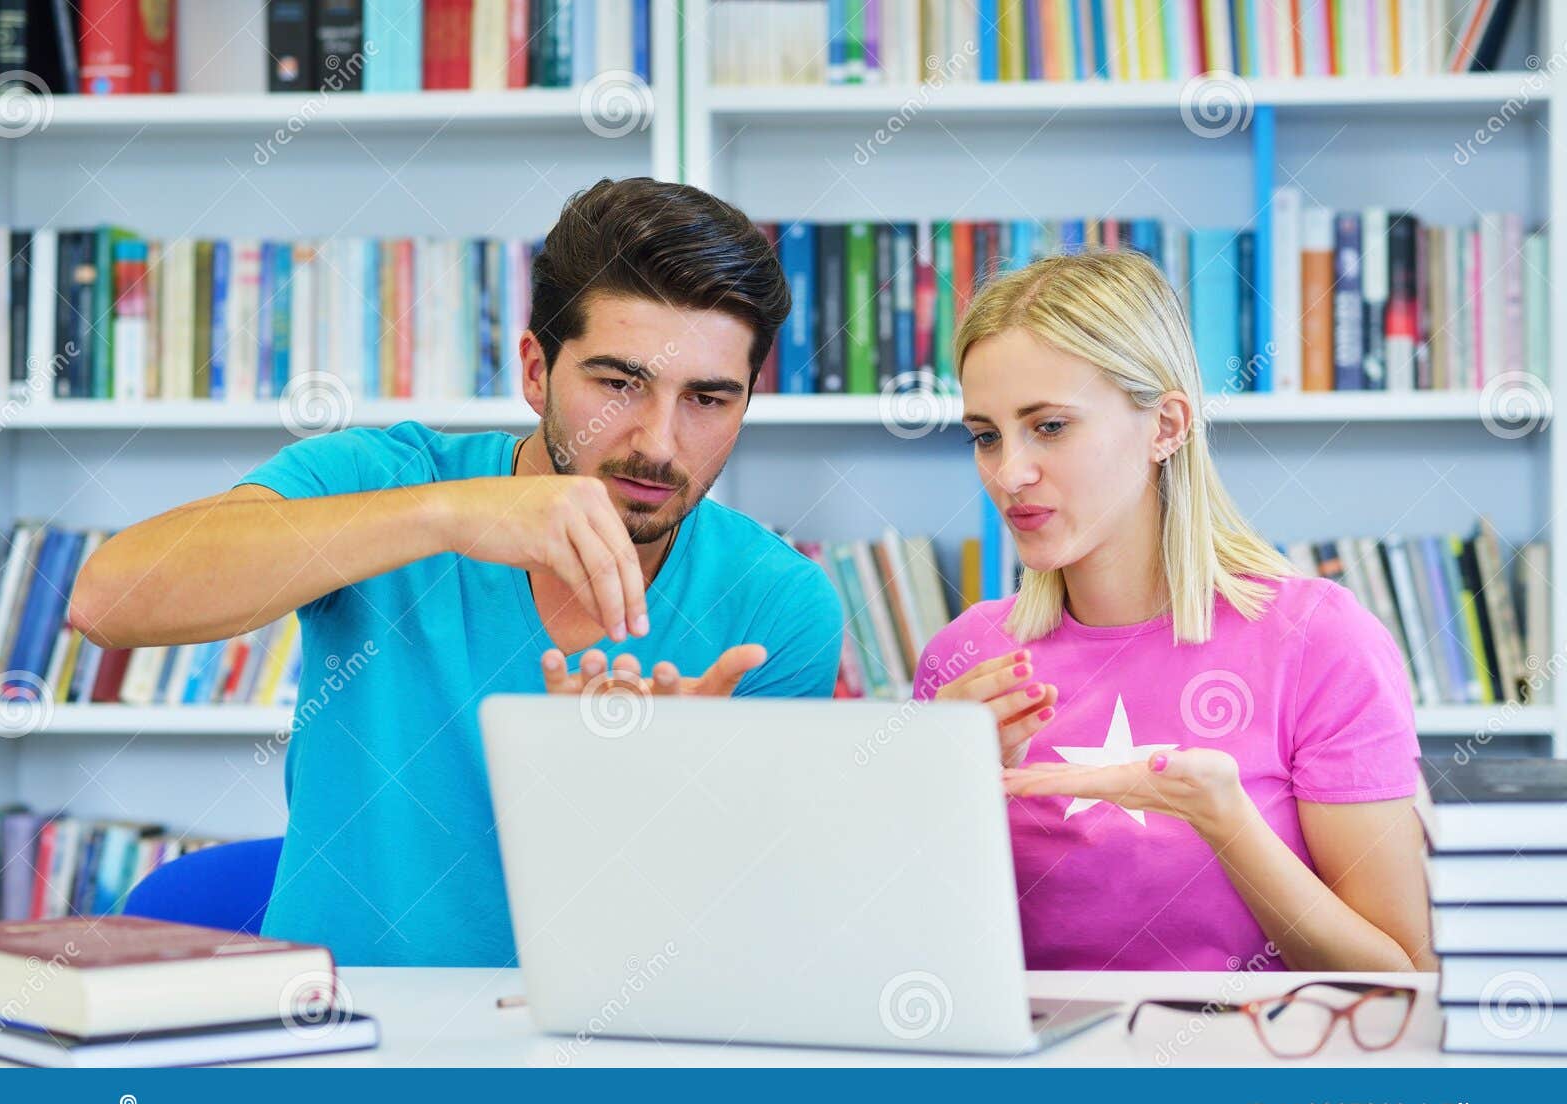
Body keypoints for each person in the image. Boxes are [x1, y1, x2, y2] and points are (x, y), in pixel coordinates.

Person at [71, 177, 845, 966]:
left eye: (708, 399)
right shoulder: (391, 474)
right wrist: (447, 515)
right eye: (619, 385)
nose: (658, 441)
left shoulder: (778, 604)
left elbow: (745, 934)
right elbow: (109, 598)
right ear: (537, 370)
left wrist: (659, 793)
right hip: (338, 1044)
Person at [913, 249, 1435, 972]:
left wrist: (1225, 822)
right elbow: (921, 966)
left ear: (1166, 426)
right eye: (986, 435)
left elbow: (1401, 980)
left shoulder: (1319, 642)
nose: (1010, 473)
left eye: (1052, 427)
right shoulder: (966, 660)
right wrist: (942, 800)